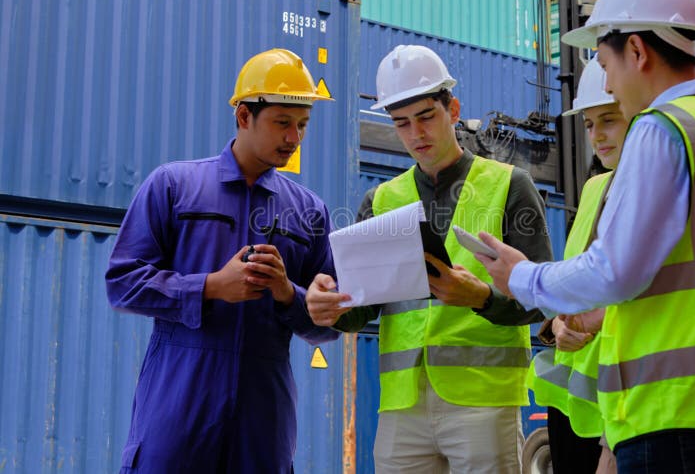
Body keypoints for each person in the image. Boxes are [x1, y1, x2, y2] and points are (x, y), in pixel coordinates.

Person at [477, 0, 695, 474]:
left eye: (605, 63)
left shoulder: (662, 127)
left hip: (681, 418)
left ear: (637, 52)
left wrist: (521, 277)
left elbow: (615, 270)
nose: (606, 83)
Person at [306, 44, 553, 473]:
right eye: (402, 123)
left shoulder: (511, 186)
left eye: (426, 117)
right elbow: (359, 309)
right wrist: (327, 306)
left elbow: (542, 301)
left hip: (484, 402)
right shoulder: (380, 200)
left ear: (452, 109)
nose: (415, 134)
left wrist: (481, 297)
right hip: (402, 408)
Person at [106, 48, 341, 473]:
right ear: (244, 117)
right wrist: (211, 286)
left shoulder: (308, 212)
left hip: (264, 412)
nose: (294, 138)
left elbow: (328, 324)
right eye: (282, 123)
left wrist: (288, 294)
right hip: (179, 398)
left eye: (303, 125)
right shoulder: (174, 186)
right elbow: (122, 282)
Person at [529, 58, 622, 474]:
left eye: (609, 120)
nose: (597, 136)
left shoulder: (661, 185)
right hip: (570, 398)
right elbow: (574, 279)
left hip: (619, 395)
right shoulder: (593, 187)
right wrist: (558, 326)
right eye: (588, 124)